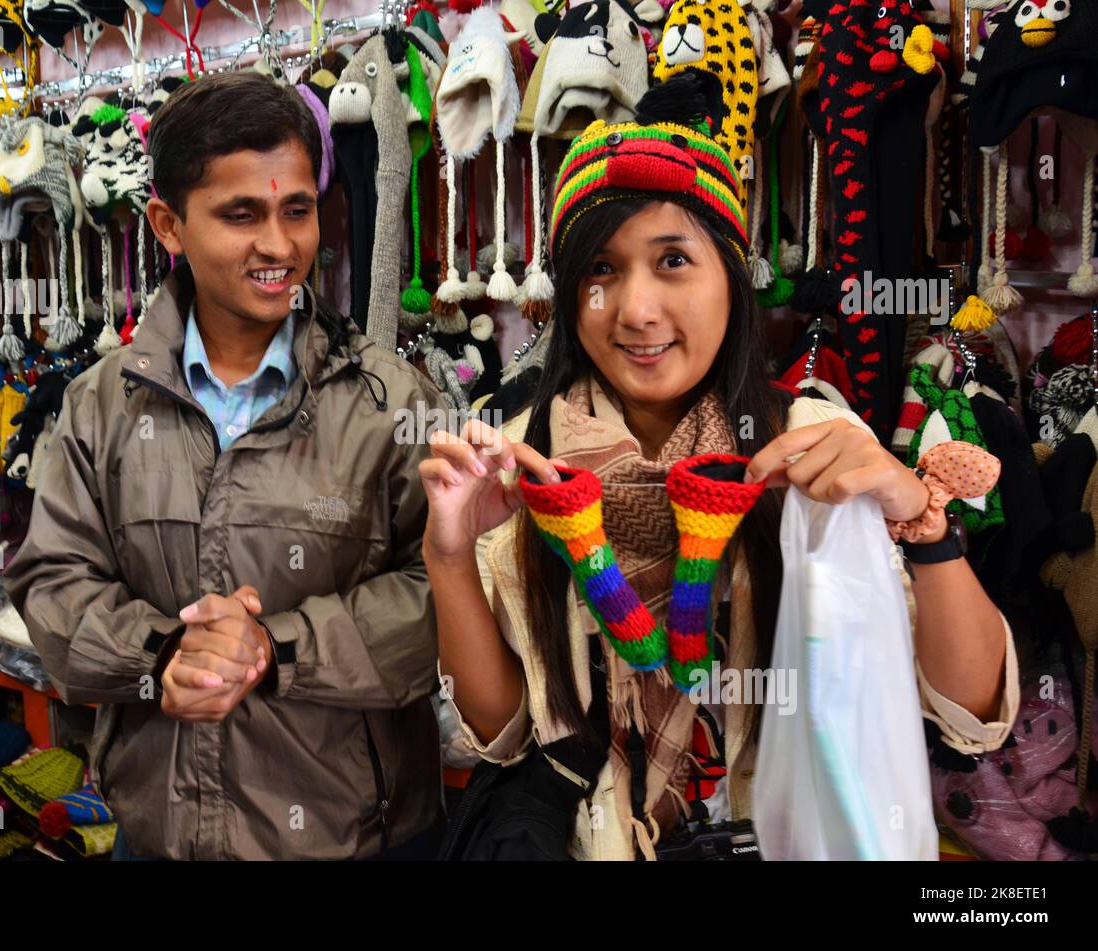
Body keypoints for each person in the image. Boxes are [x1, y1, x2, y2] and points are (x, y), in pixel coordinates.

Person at [421, 80, 1021, 860]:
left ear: (731, 279)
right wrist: (448, 557)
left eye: (674, 259)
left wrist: (925, 523)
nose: (635, 308)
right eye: (600, 269)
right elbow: (502, 736)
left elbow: (972, 711)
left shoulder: (811, 444)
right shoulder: (520, 460)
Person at [3, 72, 445, 860]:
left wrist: (278, 648)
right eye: (241, 214)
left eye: (297, 210)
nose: (279, 245)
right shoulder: (101, 405)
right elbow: (50, 583)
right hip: (158, 834)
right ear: (168, 224)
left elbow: (445, 598)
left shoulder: (389, 398)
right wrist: (162, 653)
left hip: (356, 841)